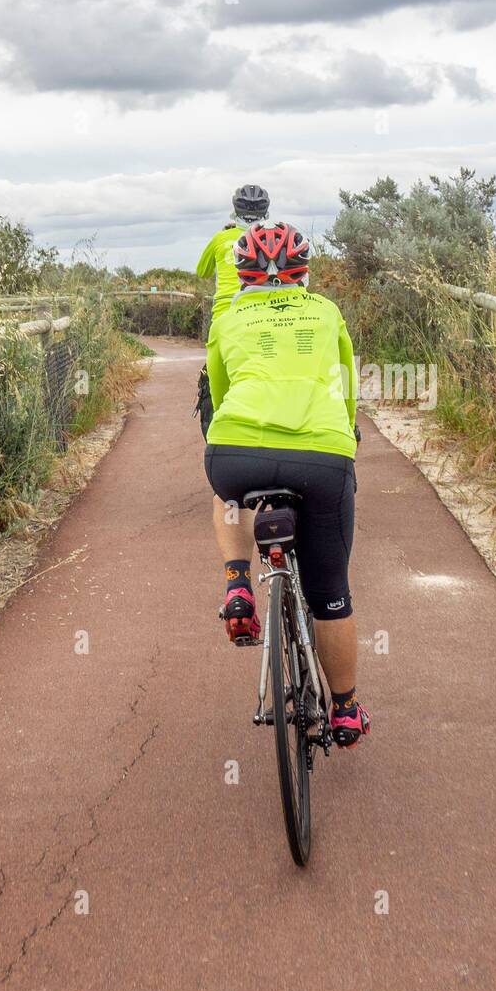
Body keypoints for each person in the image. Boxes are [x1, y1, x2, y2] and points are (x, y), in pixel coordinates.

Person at [202, 220, 369, 747]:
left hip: (236, 451)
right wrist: (347, 437)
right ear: (303, 273)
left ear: (241, 270)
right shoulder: (325, 311)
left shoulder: (228, 318)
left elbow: (221, 391)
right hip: (321, 454)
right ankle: (344, 710)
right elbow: (346, 385)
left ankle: (236, 583)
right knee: (331, 593)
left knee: (226, 496)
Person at [193, 184, 270, 437]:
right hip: (260, 312)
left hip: (224, 316)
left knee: (216, 375)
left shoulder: (221, 238)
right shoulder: (270, 238)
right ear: (265, 211)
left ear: (234, 209)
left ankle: (219, 429)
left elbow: (202, 271)